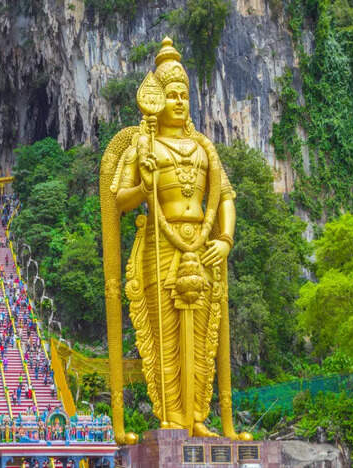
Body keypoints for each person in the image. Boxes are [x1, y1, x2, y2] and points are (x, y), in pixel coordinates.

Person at [101, 37, 247, 440]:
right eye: (172, 95)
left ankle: (199, 416)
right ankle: (171, 418)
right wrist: (144, 186)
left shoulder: (204, 148)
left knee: (203, 336)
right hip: (159, 247)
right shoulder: (142, 145)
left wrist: (226, 239)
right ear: (157, 100)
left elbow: (225, 196)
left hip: (201, 245)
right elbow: (118, 200)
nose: (180, 102)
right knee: (163, 336)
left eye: (185, 95)